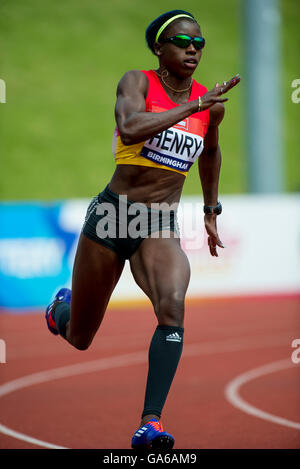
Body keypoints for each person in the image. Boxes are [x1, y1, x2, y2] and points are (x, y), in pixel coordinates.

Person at [45, 9, 240, 449]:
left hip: (158, 224)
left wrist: (211, 209)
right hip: (114, 215)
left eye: (199, 43)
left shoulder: (211, 105)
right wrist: (193, 106)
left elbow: (210, 154)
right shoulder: (137, 82)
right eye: (182, 42)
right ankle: (61, 310)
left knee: (173, 306)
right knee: (80, 338)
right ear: (159, 49)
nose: (193, 49)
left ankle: (149, 424)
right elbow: (130, 128)